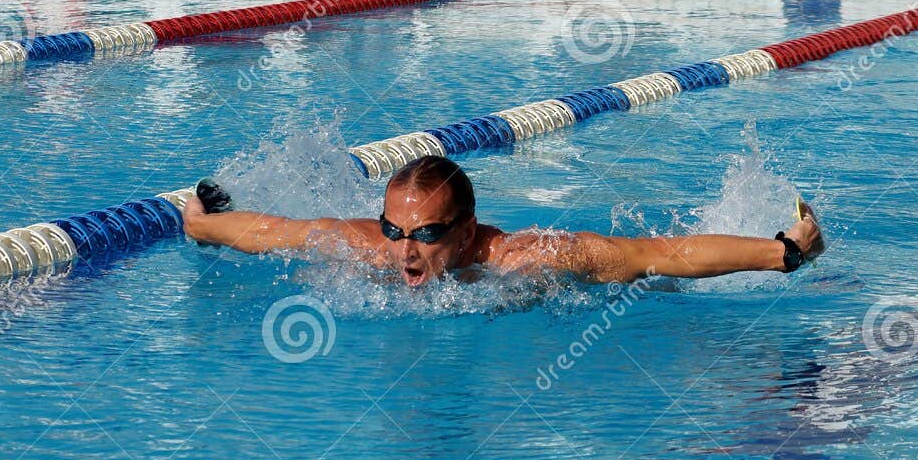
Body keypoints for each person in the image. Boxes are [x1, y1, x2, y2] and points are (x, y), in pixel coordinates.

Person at [182, 155, 823, 288]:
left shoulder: (524, 257)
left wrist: (783, 253)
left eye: (428, 234)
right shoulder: (374, 249)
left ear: (464, 231)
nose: (407, 252)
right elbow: (274, 232)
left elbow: (656, 254)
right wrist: (203, 225)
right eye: (396, 230)